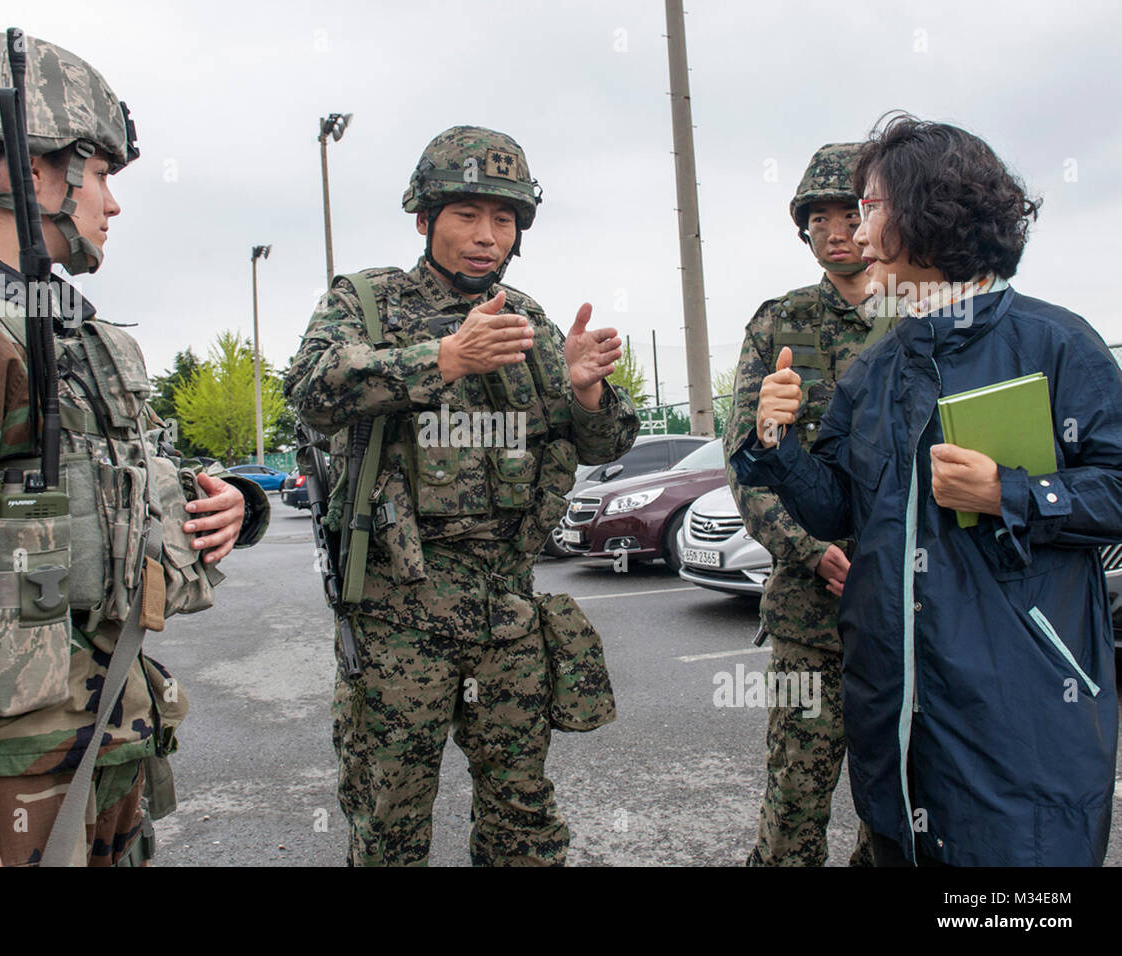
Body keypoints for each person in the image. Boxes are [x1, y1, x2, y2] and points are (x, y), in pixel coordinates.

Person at [0, 31, 269, 867]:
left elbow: (111, 494)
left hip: (94, 771)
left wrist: (236, 506)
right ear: (36, 173)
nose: (113, 203)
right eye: (100, 173)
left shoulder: (60, 330)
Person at [732, 112, 1121, 866]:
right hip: (895, 708)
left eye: (870, 208)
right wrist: (777, 445)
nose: (857, 231)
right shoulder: (875, 370)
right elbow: (836, 507)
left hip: (1019, 711)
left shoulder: (1056, 343)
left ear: (930, 213)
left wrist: (1011, 493)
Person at [285, 125, 639, 866]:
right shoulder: (369, 302)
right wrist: (444, 358)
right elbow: (313, 391)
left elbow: (605, 444)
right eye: (467, 215)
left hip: (507, 608)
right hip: (397, 615)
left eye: (503, 219)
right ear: (425, 217)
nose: (486, 236)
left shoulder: (531, 321)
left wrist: (584, 391)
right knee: (389, 823)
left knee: (524, 819)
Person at [725, 143, 880, 867]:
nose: (834, 230)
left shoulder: (924, 315)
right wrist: (809, 551)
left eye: (849, 213)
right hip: (809, 617)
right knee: (795, 797)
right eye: (818, 218)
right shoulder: (779, 322)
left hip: (908, 611)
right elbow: (746, 464)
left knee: (903, 800)